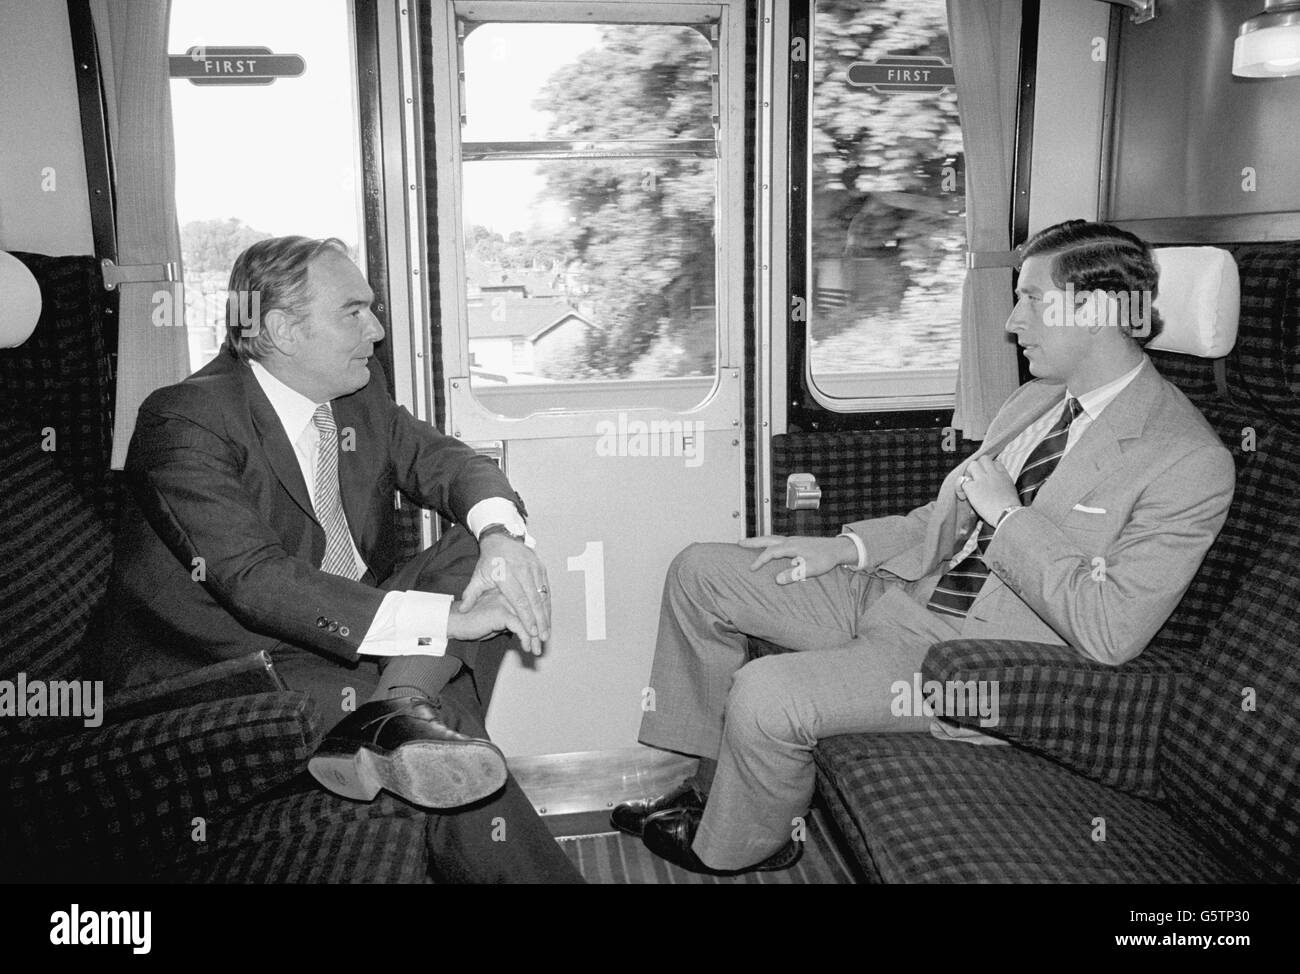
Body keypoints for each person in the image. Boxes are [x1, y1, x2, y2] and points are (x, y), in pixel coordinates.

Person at [614, 220, 1236, 875]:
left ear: (1099, 309)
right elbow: (943, 518)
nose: (1013, 322)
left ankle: (739, 847)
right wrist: (846, 549)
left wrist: (1012, 516)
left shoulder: (1187, 460)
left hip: (969, 659)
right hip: (899, 591)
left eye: (1031, 299)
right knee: (701, 572)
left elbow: (1112, 630)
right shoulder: (1036, 401)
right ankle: (713, 789)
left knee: (765, 695)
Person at [104, 235, 582, 883]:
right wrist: (444, 622)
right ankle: (408, 714)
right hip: (224, 666)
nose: (377, 330)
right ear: (279, 329)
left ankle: (396, 706)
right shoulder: (185, 420)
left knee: (484, 542)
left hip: (335, 626)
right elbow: (255, 582)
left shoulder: (357, 393)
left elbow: (450, 464)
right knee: (443, 734)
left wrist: (500, 538)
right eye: (353, 312)